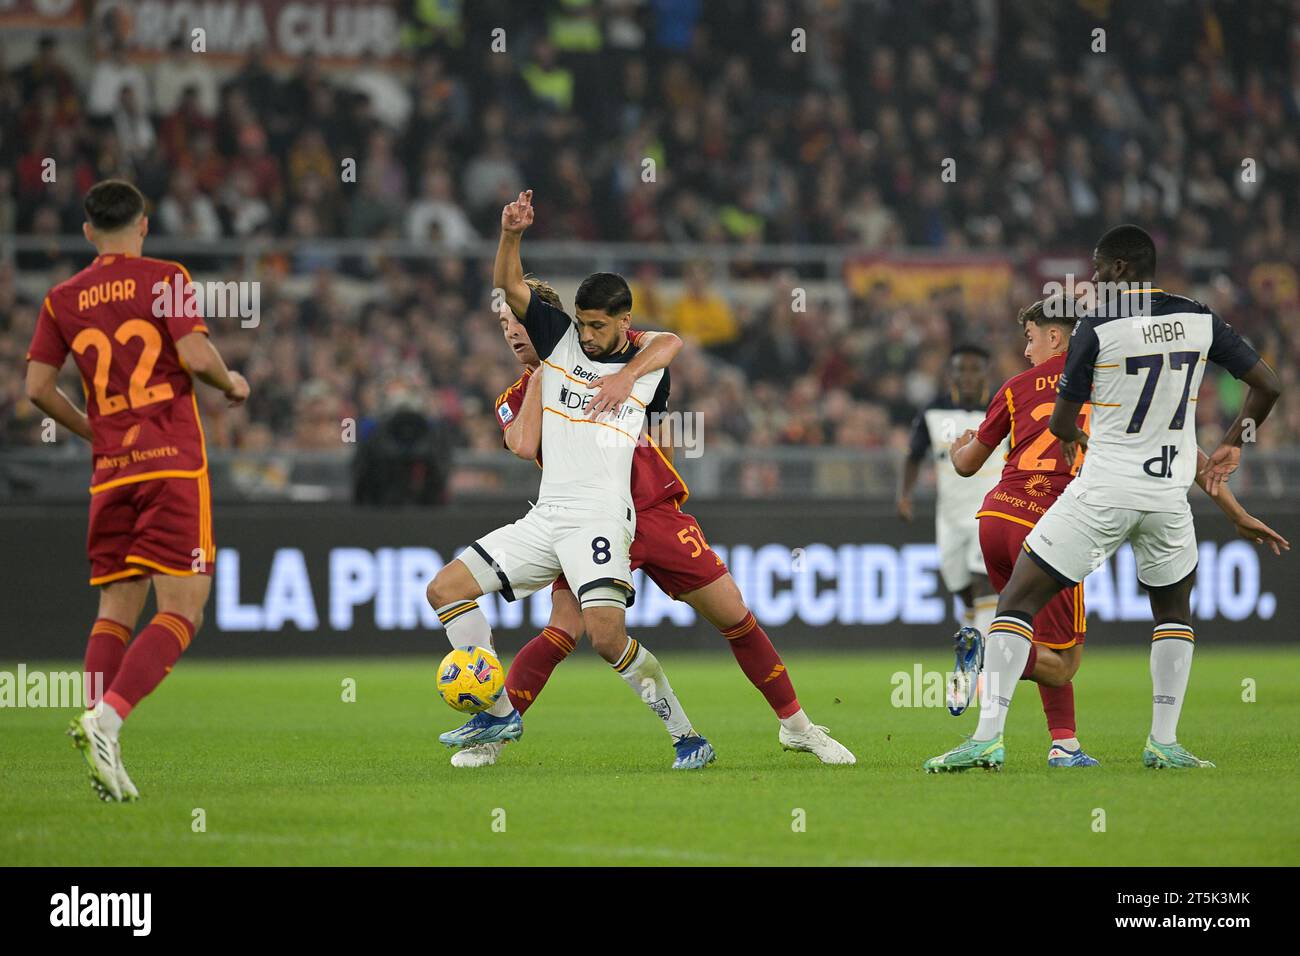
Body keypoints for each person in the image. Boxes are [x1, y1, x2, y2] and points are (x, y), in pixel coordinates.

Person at [449, 275, 855, 769]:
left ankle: (798, 728)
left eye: (517, 320)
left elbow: (666, 343)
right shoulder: (514, 394)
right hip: (582, 521)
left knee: (732, 614)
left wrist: (624, 375)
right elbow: (523, 445)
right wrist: (540, 377)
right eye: (504, 326)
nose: (511, 333)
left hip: (652, 510)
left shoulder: (600, 352)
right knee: (565, 630)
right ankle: (495, 733)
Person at [926, 225, 1284, 771]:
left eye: (1097, 269)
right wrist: (1234, 445)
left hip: (1104, 490)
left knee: (1016, 602)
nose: (1091, 280)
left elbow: (1066, 421)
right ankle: (1163, 742)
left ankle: (987, 738)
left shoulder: (1097, 326)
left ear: (1119, 270)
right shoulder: (1200, 318)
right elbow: (1269, 385)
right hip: (1168, 494)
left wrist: (1081, 434)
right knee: (1172, 612)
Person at [425, 190, 714, 770]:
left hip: (602, 518)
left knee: (607, 638)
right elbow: (509, 285)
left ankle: (687, 735)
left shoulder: (644, 378)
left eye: (596, 327)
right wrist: (510, 233)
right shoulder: (559, 343)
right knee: (444, 589)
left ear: (622, 324)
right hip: (546, 516)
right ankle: (500, 710)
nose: (584, 336)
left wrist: (623, 375)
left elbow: (671, 342)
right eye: (580, 325)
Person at [24, 179, 249, 800]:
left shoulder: (61, 298)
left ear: (89, 231)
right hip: (171, 463)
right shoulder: (164, 277)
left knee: (115, 612)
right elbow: (196, 356)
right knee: (182, 610)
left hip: (113, 471)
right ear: (143, 224)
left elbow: (37, 389)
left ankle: (103, 739)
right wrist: (231, 385)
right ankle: (108, 717)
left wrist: (93, 429)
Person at [898, 346, 1003, 642]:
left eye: (974, 369)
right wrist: (905, 496)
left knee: (985, 584)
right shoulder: (933, 411)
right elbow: (913, 455)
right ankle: (972, 648)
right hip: (950, 519)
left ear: (987, 372)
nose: (967, 376)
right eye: (961, 369)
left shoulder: (1001, 407)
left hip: (990, 513)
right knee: (963, 592)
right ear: (950, 374)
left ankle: (981, 660)